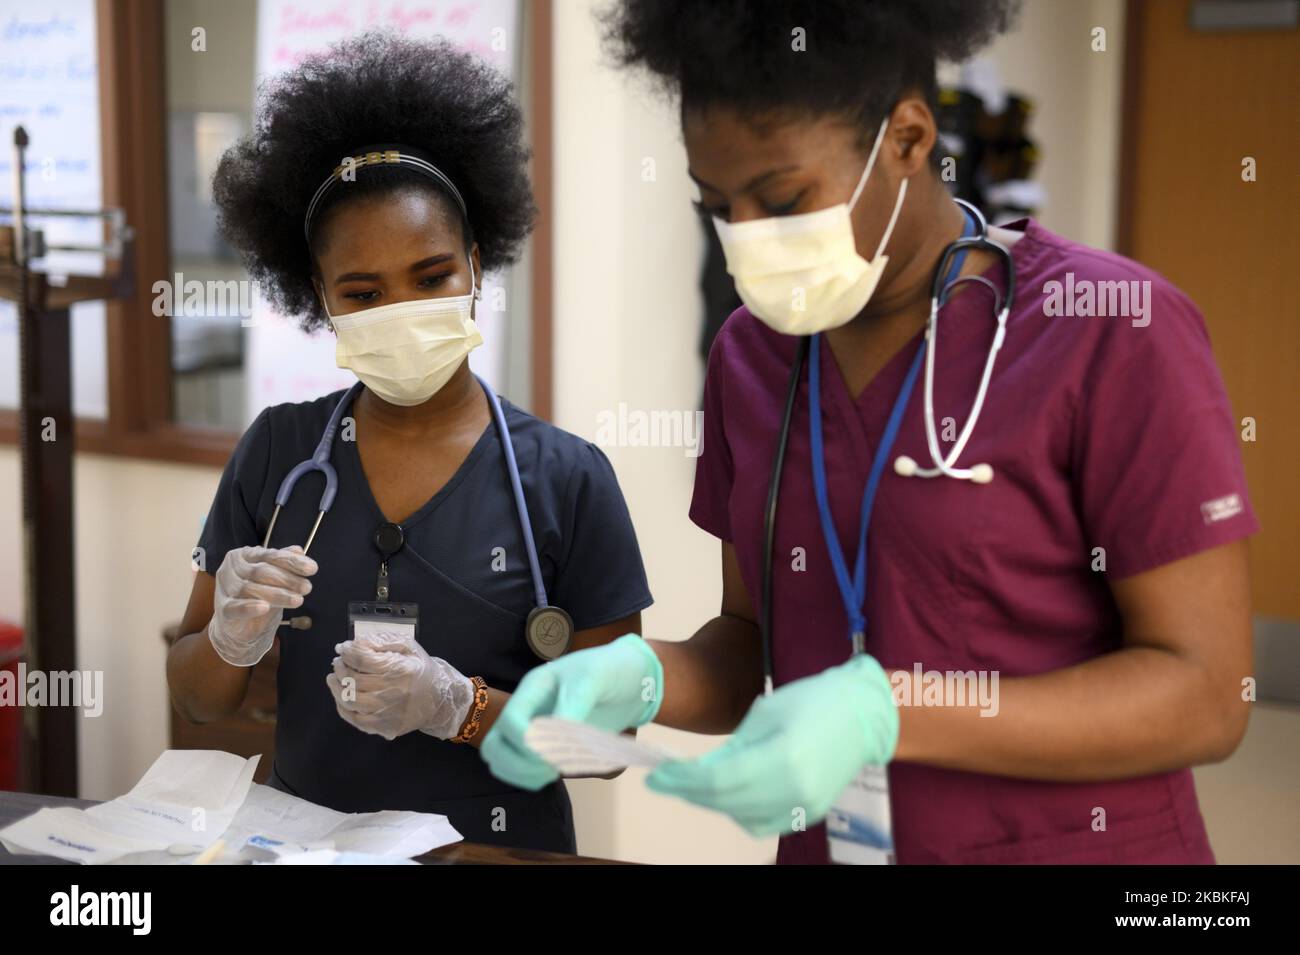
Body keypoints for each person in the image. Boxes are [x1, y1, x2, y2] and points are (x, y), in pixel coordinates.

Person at [482, 0, 1256, 864]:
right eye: (717, 204)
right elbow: (749, 646)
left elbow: (1209, 693)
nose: (745, 238)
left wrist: (882, 712)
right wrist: (637, 674)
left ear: (910, 139)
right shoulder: (752, 354)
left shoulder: (1110, 328)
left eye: (781, 198)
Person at [166, 32, 652, 854]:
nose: (401, 307)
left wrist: (457, 706)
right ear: (320, 296)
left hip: (497, 848)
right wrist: (226, 639)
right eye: (363, 290)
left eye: (430, 277)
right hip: (310, 844)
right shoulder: (279, 452)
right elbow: (199, 699)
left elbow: (610, 741)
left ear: (473, 263)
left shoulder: (567, 478)